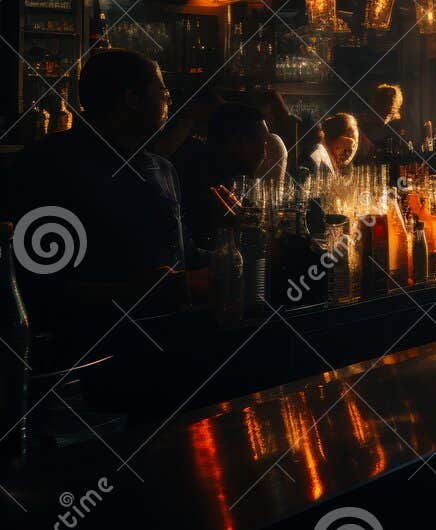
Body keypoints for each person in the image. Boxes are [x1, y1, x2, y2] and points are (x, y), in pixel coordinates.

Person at [7, 50, 188, 363]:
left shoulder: (162, 169)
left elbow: (183, 252)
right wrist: (131, 291)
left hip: (167, 342)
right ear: (131, 99)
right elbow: (35, 284)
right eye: (163, 92)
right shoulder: (48, 165)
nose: (169, 101)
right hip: (83, 358)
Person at [173, 102, 269, 251]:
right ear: (237, 141)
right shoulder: (201, 182)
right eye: (262, 143)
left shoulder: (227, 178)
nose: (265, 153)